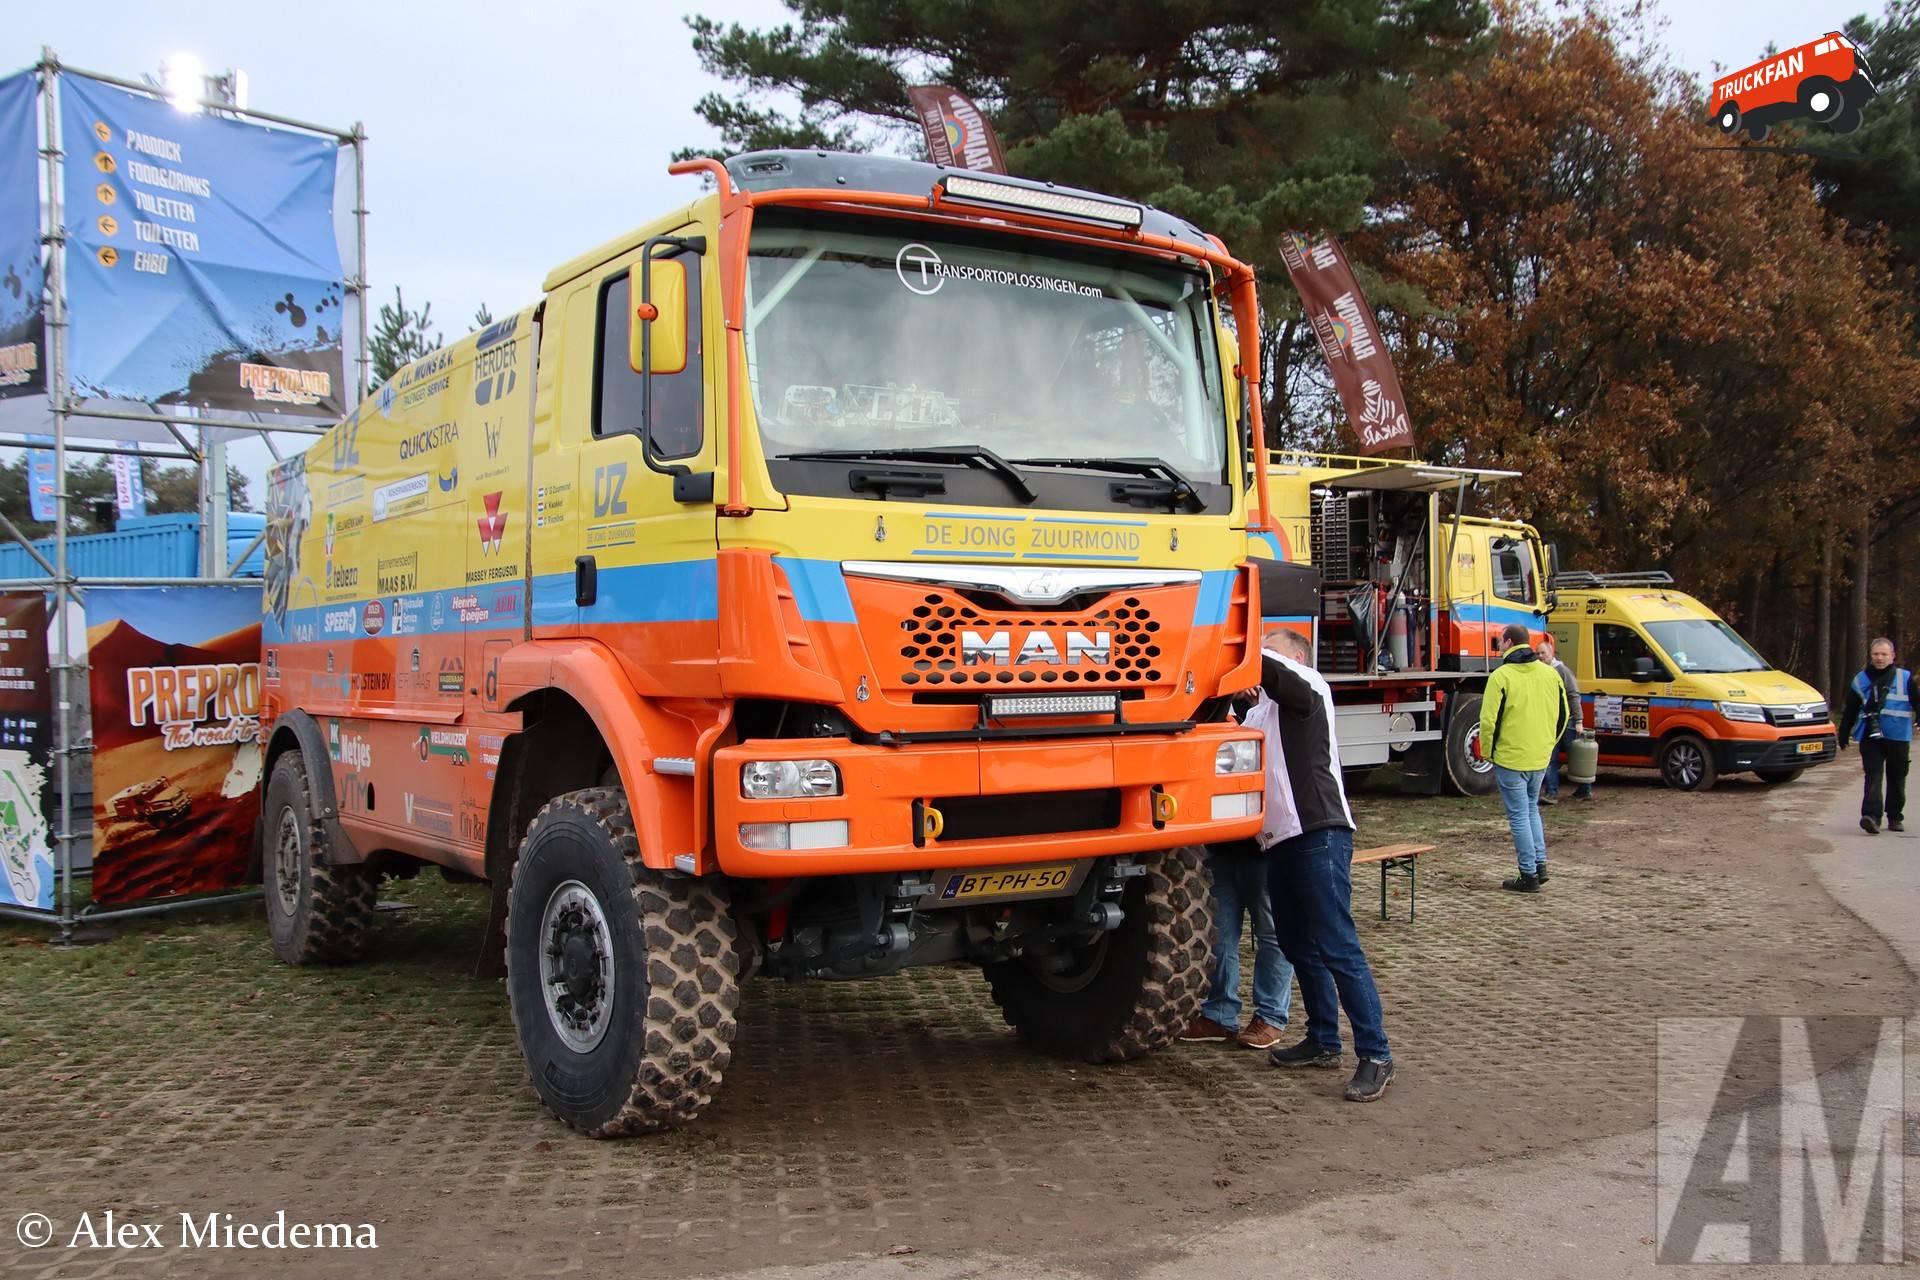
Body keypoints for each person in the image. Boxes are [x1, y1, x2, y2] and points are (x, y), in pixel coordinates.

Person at [1256, 627, 1395, 1103]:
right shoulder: (1261, 708)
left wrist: (1234, 643)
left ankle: (1376, 1055)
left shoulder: (1311, 685)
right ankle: (1323, 1040)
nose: (1260, 658)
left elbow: (1269, 670)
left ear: (1297, 658)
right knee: (1298, 944)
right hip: (1279, 841)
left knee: (1338, 946)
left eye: (1268, 649)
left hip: (1319, 833)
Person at [1481, 623, 1570, 892]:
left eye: (1500, 642)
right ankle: (1540, 864)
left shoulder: (1501, 676)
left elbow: (1488, 722)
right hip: (1539, 756)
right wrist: (1548, 745)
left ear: (1508, 642)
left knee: (1519, 815)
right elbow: (1563, 715)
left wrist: (1488, 752)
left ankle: (1528, 874)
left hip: (1511, 758)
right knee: (1532, 810)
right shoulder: (1550, 674)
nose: (1499, 646)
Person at [1179, 840, 1294, 1049]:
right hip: (1222, 849)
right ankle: (1218, 1015)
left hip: (1266, 851)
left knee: (1272, 936)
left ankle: (1271, 1018)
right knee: (1218, 937)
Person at [1839, 637, 1911, 835]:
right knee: (1873, 776)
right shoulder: (1860, 680)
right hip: (1871, 737)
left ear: (1892, 656)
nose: (1880, 658)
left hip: (1898, 736)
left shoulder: (1904, 677)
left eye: (1884, 654)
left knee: (1897, 777)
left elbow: (1917, 701)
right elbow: (1850, 709)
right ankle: (1871, 817)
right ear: (1870, 656)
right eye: (1876, 654)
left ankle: (1895, 817)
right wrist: (1843, 733)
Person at [1538, 634, 1591, 803]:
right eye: (1537, 654)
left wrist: (1579, 721)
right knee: (1549, 758)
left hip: (1567, 722)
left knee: (1575, 757)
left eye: (1543, 653)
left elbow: (1573, 695)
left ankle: (1585, 790)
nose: (1540, 657)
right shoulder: (1541, 673)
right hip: (1550, 723)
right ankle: (1551, 792)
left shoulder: (1562, 671)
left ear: (1551, 653)